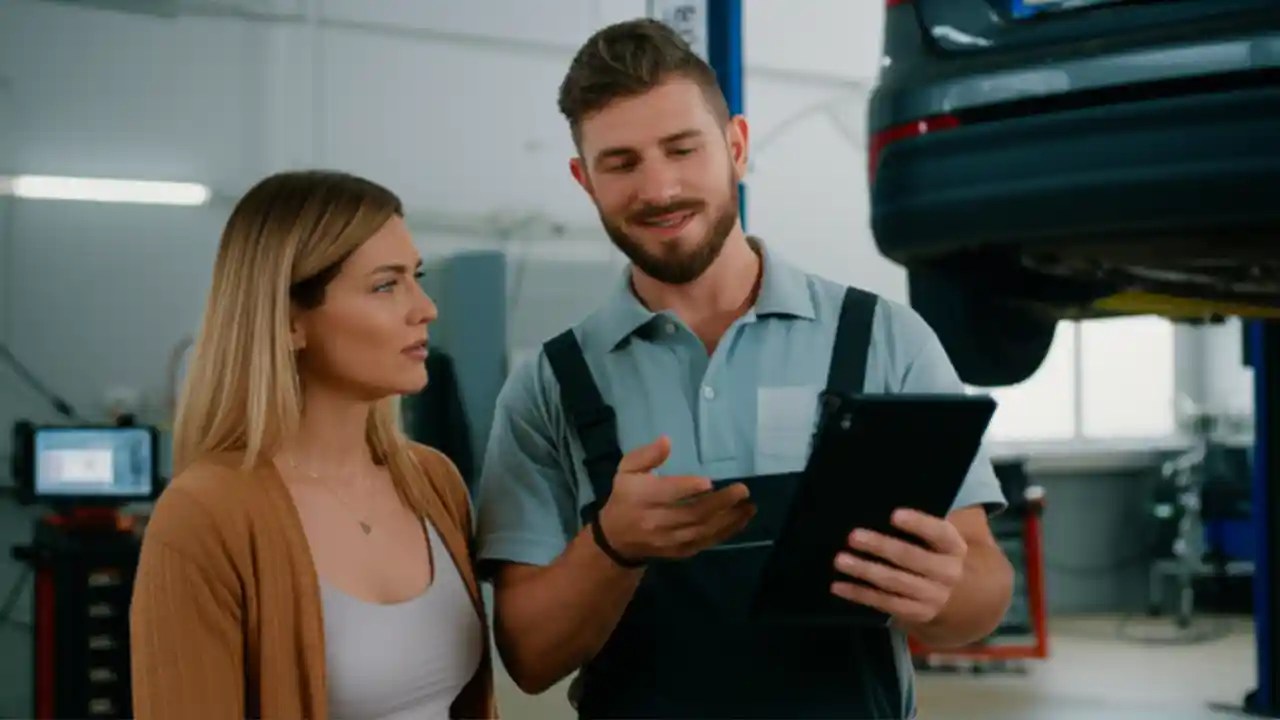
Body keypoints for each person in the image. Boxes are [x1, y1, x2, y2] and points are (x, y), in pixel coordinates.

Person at [473, 18, 1014, 720]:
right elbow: (529, 657)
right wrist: (611, 546)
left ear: (736, 146)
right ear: (585, 179)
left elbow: (982, 587)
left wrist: (947, 597)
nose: (660, 188)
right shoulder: (548, 387)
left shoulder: (884, 340)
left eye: (682, 149)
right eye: (622, 162)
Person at [129, 170, 498, 720]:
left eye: (415, 277)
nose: (425, 308)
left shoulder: (431, 481)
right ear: (290, 321)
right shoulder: (207, 513)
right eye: (385, 284)